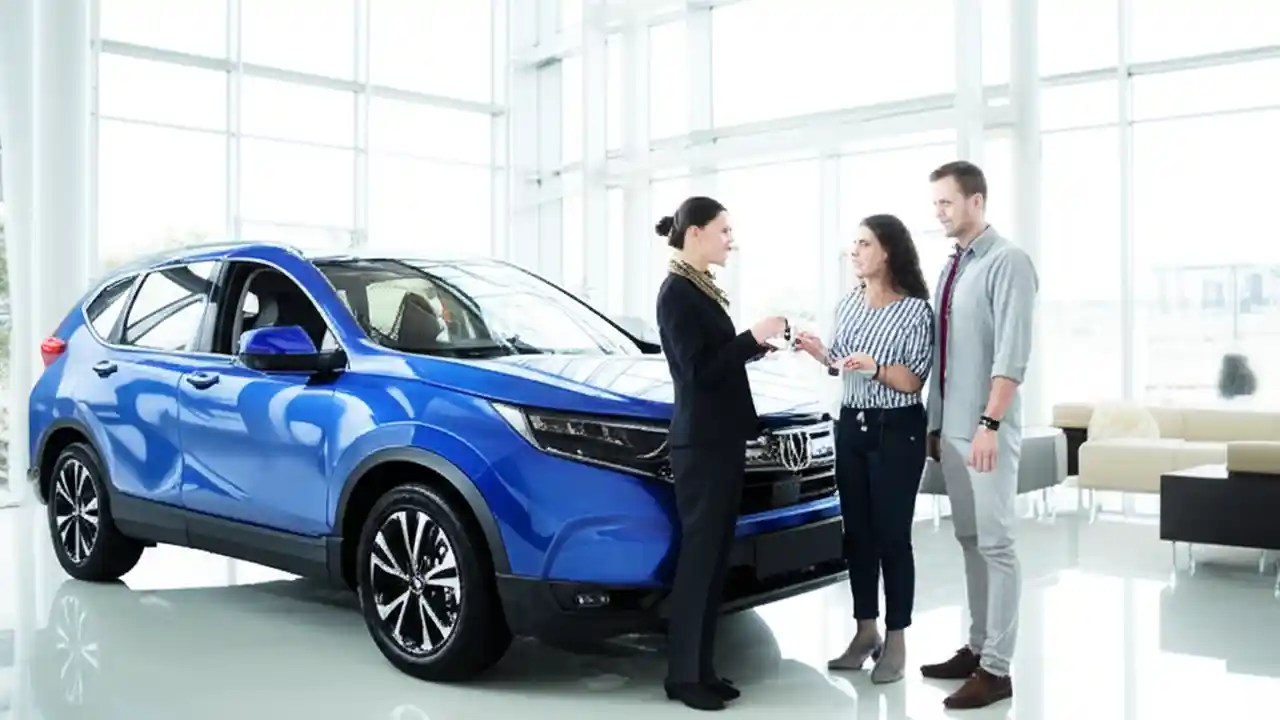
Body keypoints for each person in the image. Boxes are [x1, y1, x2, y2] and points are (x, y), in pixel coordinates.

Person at [654, 195, 788, 711]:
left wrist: (752, 347)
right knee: (699, 561)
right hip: (702, 444)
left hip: (720, 440)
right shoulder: (677, 294)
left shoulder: (698, 290)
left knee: (713, 562)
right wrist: (751, 336)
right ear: (695, 234)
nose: (732, 239)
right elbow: (697, 373)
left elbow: (714, 365)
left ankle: (701, 670)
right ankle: (684, 677)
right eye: (724, 230)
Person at [794, 214, 933, 685]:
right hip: (850, 426)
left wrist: (875, 368)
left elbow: (912, 380)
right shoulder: (847, 303)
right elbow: (842, 365)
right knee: (857, 537)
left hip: (897, 429)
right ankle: (865, 631)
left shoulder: (916, 311)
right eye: (853, 244)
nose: (855, 252)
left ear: (888, 251)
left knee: (893, 537)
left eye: (864, 244)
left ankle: (896, 640)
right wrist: (820, 354)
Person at [919, 161, 1038, 710]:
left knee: (996, 544)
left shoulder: (1007, 261)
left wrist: (989, 424)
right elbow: (945, 355)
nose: (938, 211)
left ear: (976, 202)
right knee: (969, 542)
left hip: (987, 430)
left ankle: (998, 670)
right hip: (953, 431)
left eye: (946, 202)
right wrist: (935, 426)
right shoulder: (951, 268)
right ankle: (976, 646)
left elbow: (1011, 355)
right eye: (936, 203)